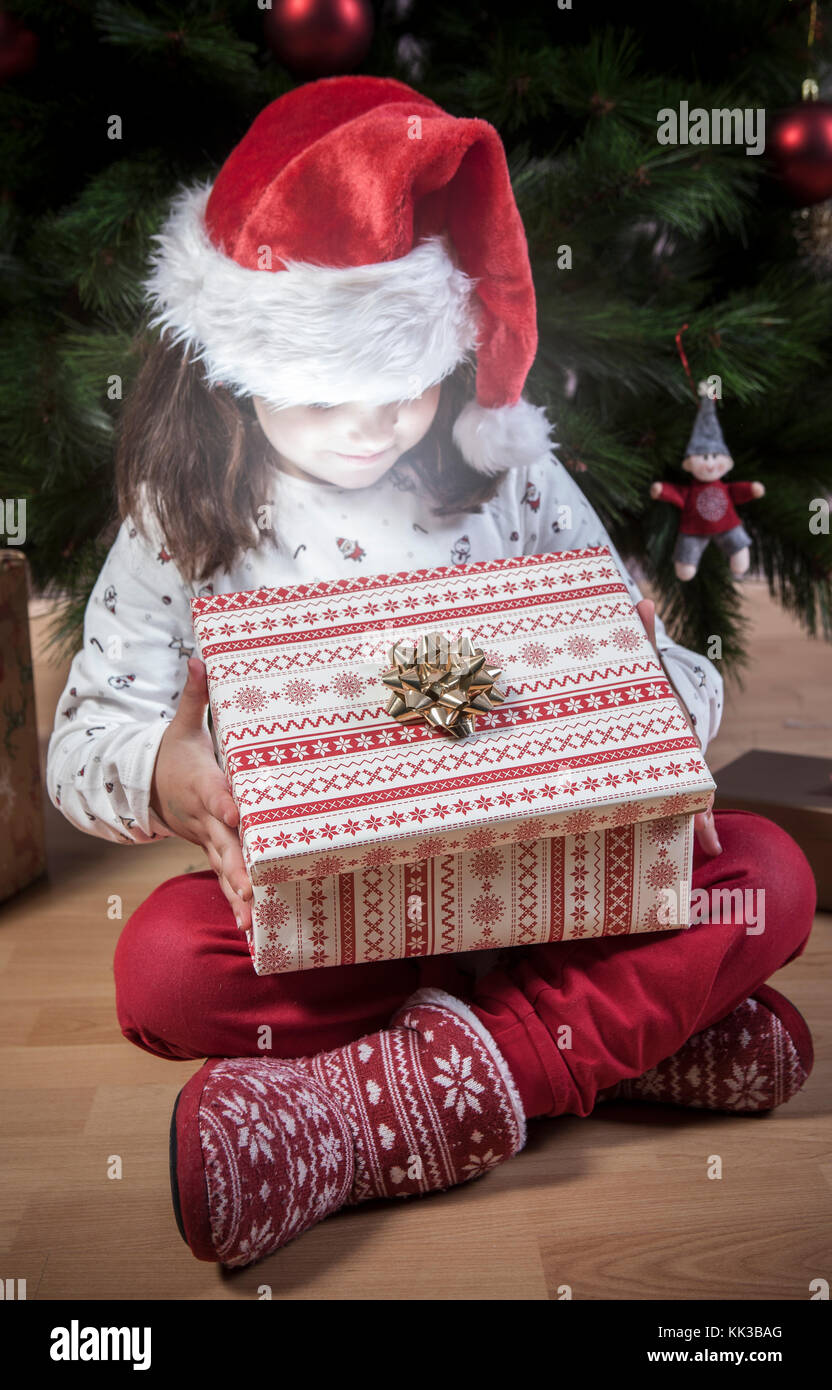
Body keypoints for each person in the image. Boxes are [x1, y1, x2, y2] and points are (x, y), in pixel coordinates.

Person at [46, 76, 816, 1271]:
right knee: (159, 971)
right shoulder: (181, 511)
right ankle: (611, 1037)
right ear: (233, 369)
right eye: (322, 393)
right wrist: (168, 775)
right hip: (334, 917)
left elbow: (639, 660)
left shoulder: (499, 468)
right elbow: (85, 741)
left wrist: (662, 693)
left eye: (403, 385)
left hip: (552, 881)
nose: (369, 426)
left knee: (764, 874)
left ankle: (370, 1112)